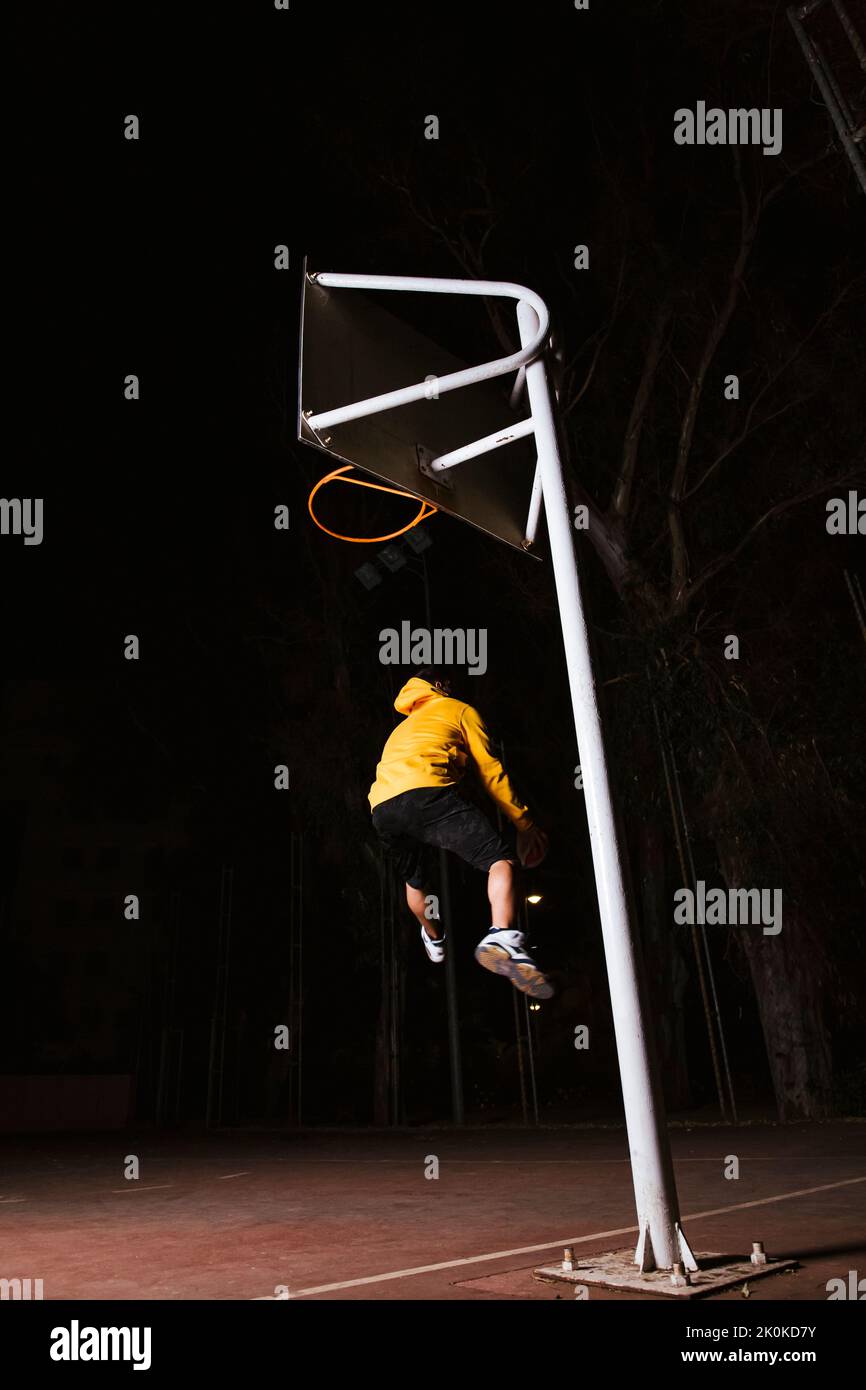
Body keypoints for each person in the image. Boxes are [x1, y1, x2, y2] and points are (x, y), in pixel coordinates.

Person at [369, 667, 552, 999]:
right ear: (438, 686)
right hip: (427, 793)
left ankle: (433, 936)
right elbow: (492, 773)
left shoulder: (401, 729)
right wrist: (524, 826)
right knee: (502, 861)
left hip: (382, 809)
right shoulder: (460, 709)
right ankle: (502, 935)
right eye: (448, 685)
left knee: (414, 881)